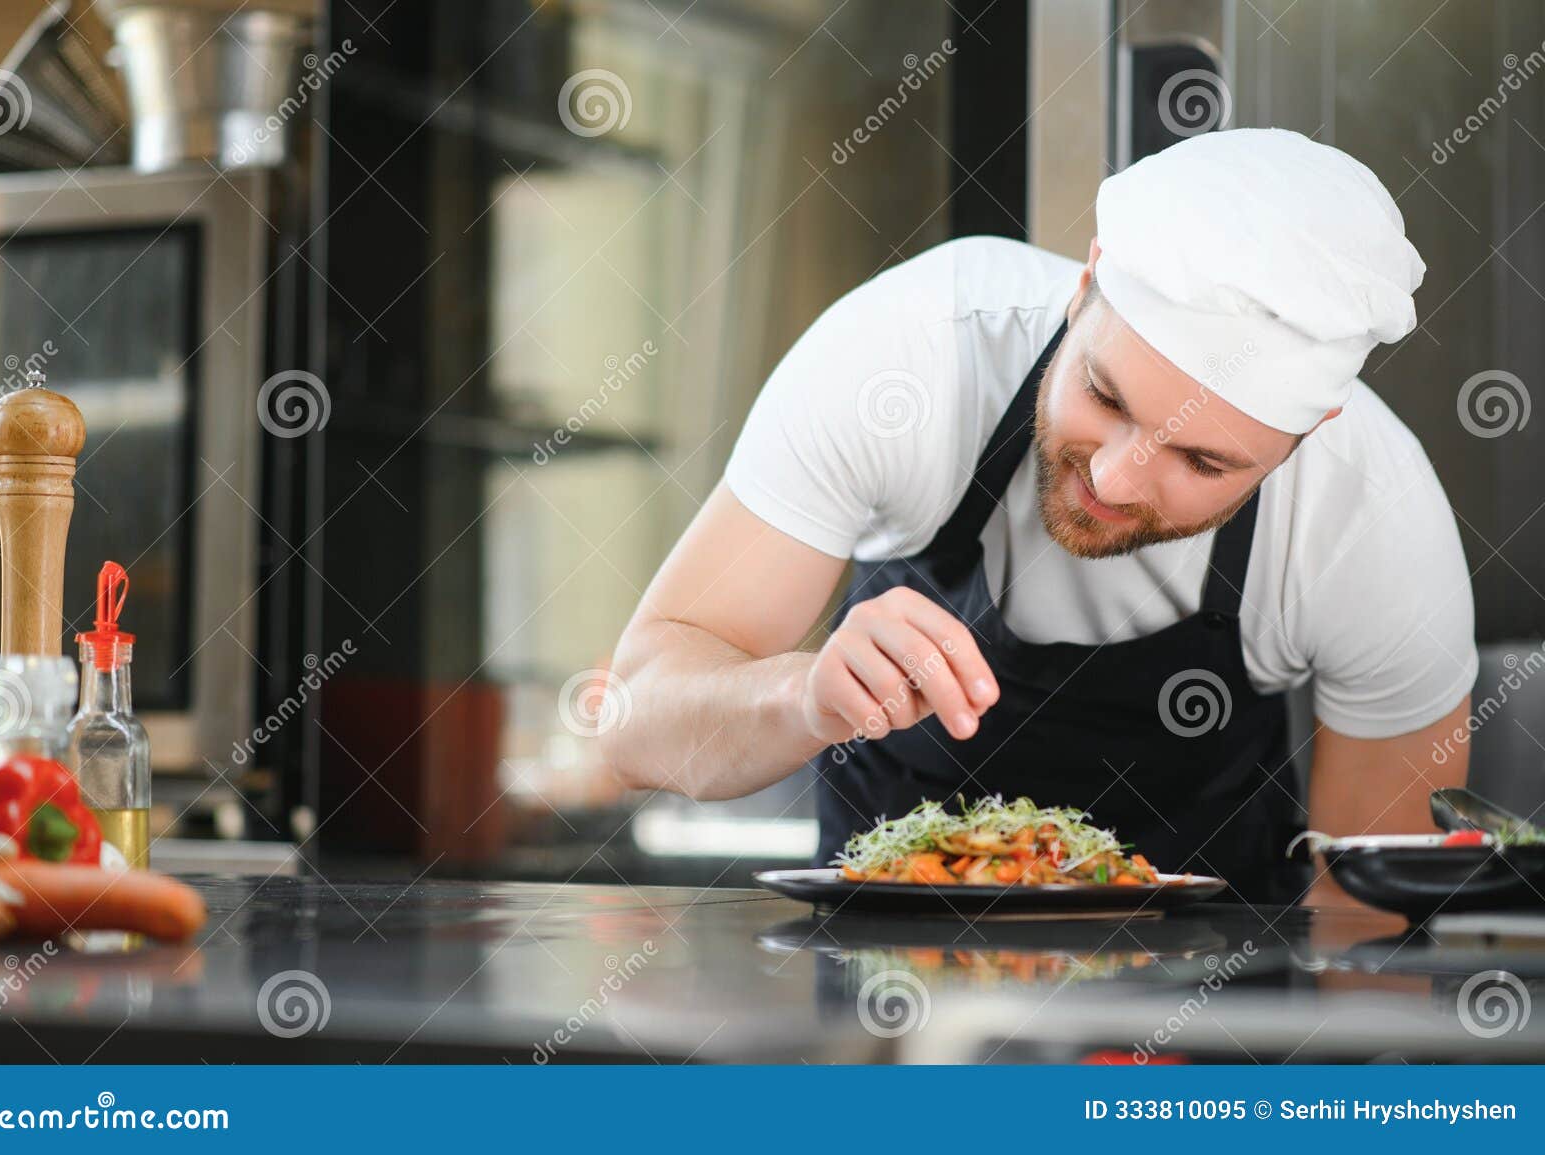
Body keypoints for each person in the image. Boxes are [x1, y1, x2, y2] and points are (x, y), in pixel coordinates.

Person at [603, 127, 1477, 907]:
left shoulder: (1374, 520)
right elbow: (636, 721)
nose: (1114, 476)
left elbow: (1373, 920)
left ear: (1309, 431)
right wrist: (801, 697)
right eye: (1105, 394)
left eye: (1201, 461)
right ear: (1086, 282)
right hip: (885, 1014)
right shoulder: (911, 354)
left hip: (1200, 1033)